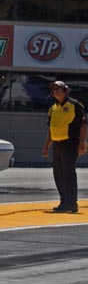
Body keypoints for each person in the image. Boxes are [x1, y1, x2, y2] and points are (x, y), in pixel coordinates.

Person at [41, 80, 87, 213]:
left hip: (70, 143)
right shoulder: (53, 109)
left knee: (68, 172)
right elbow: (51, 129)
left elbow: (83, 125)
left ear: (66, 91)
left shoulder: (75, 105)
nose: (56, 92)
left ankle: (71, 202)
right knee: (58, 173)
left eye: (59, 89)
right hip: (57, 144)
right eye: (54, 90)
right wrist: (46, 146)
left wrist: (82, 144)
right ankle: (64, 201)